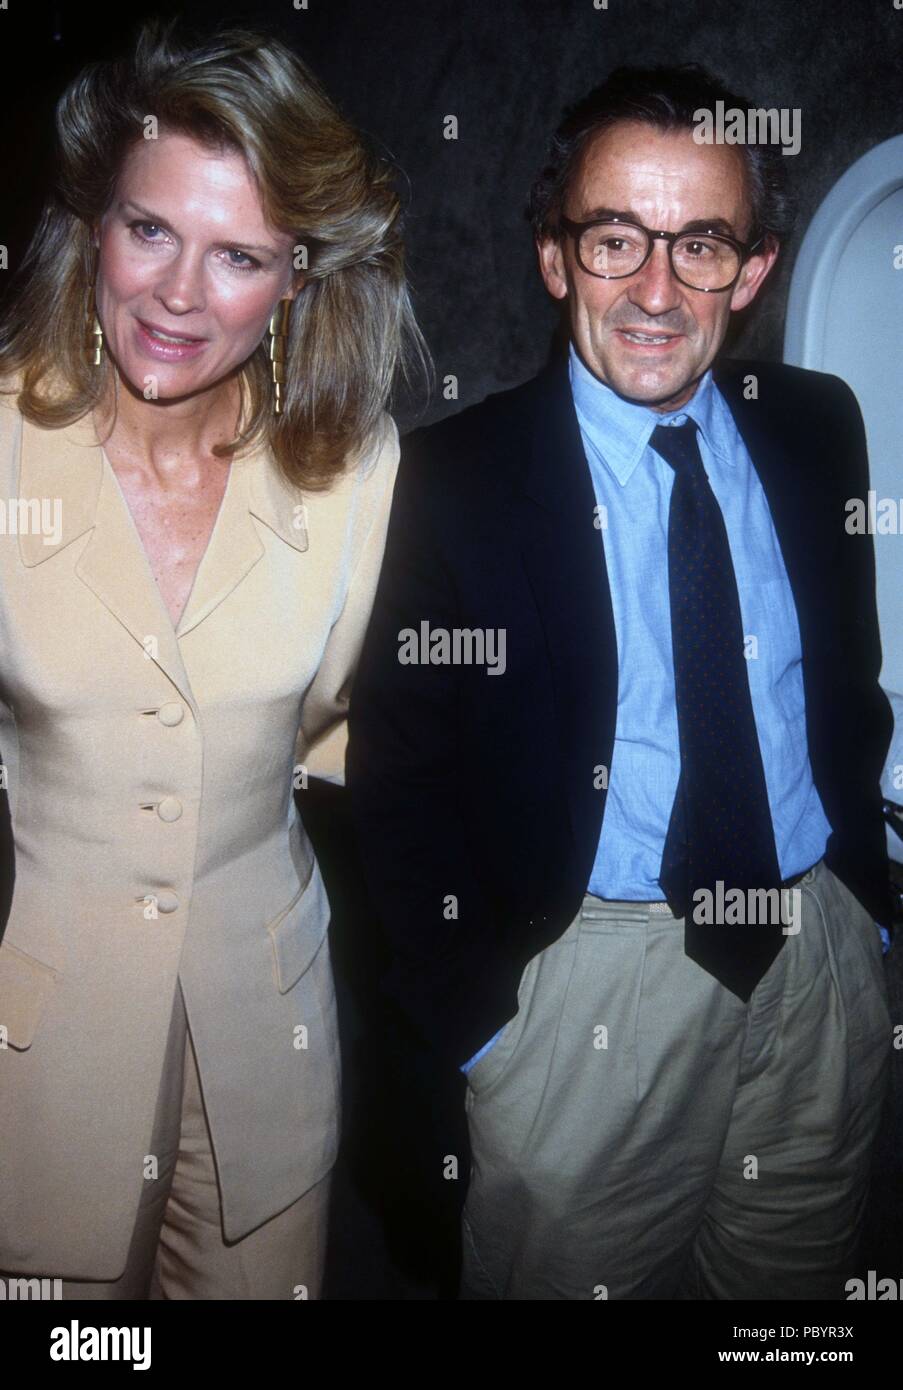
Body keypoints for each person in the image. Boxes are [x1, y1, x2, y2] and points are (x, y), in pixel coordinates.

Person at [346, 63, 895, 1300]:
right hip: (585, 988)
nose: (655, 291)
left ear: (752, 272)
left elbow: (844, 678)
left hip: (815, 960)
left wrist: (863, 912)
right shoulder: (450, 485)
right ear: (555, 257)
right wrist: (483, 1025)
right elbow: (399, 788)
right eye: (615, 241)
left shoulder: (817, 427)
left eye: (699, 244)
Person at [0, 18, 425, 1299]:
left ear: (299, 278)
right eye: (150, 232)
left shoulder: (354, 467)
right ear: (94, 225)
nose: (180, 296)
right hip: (42, 1039)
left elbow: (345, 725)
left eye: (238, 256)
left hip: (268, 1029)